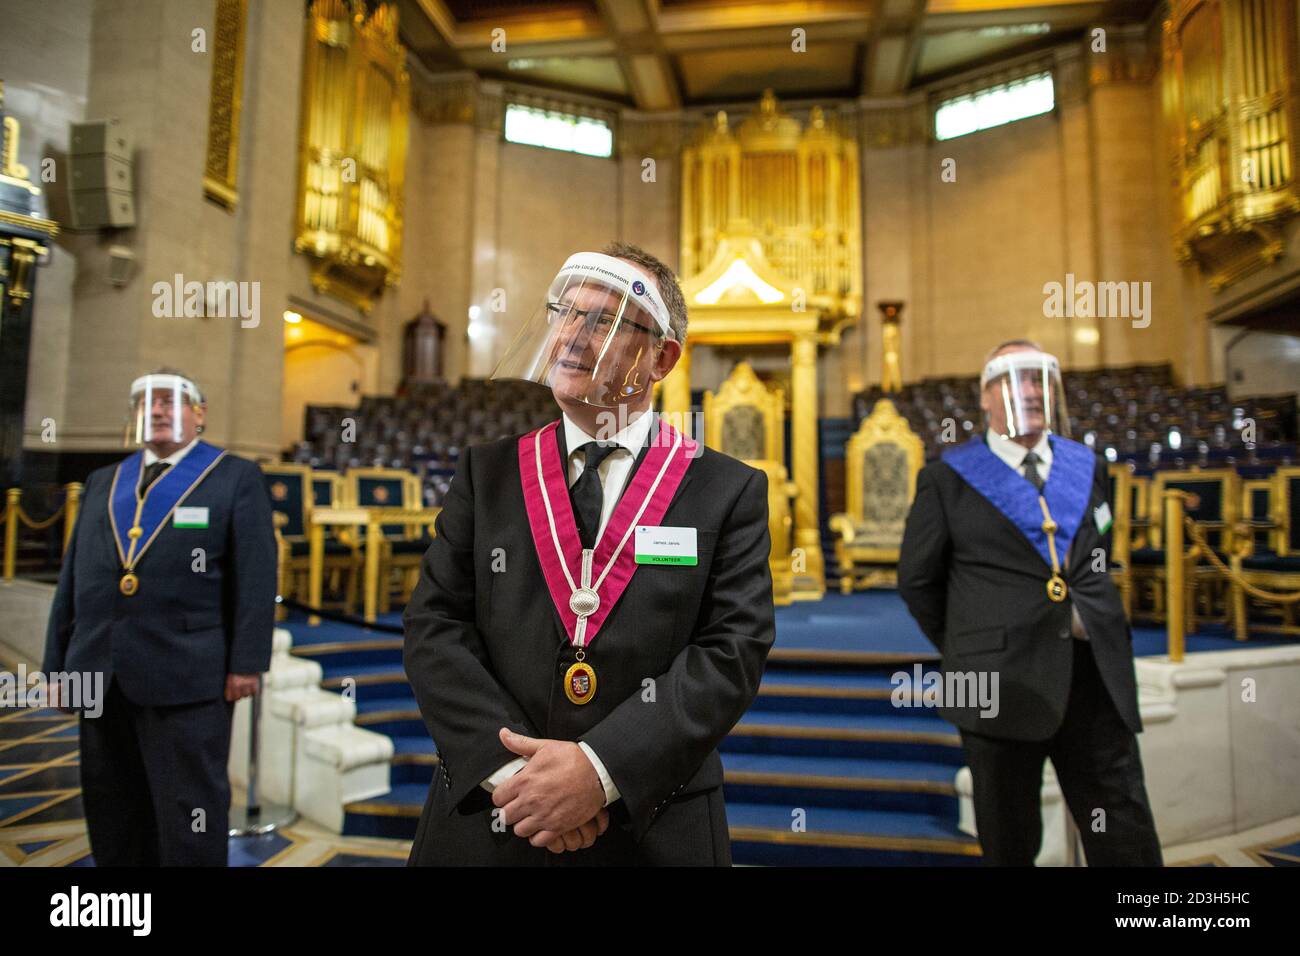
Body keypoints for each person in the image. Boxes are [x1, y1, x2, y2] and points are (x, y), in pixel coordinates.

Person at [403, 242, 776, 865]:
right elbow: (434, 628)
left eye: (604, 319)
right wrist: (513, 777)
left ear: (662, 357)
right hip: (493, 814)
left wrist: (598, 772)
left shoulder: (727, 489)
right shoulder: (487, 474)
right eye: (564, 313)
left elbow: (731, 650)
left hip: (651, 820)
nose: (573, 334)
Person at [897, 340, 1162, 866]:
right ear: (987, 398)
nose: (1031, 392)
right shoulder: (947, 478)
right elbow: (917, 581)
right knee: (1010, 838)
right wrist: (971, 646)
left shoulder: (1087, 467)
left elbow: (1098, 556)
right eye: (1015, 380)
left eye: (1040, 380)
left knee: (1123, 828)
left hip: (1093, 676)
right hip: (998, 683)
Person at [43, 369, 276, 865]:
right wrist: (56, 667)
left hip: (188, 675)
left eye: (171, 400)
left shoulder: (235, 477)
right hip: (98, 672)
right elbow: (73, 580)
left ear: (199, 413)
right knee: (111, 808)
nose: (158, 409)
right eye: (147, 403)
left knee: (188, 811)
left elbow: (256, 578)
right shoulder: (104, 481)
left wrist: (247, 662)